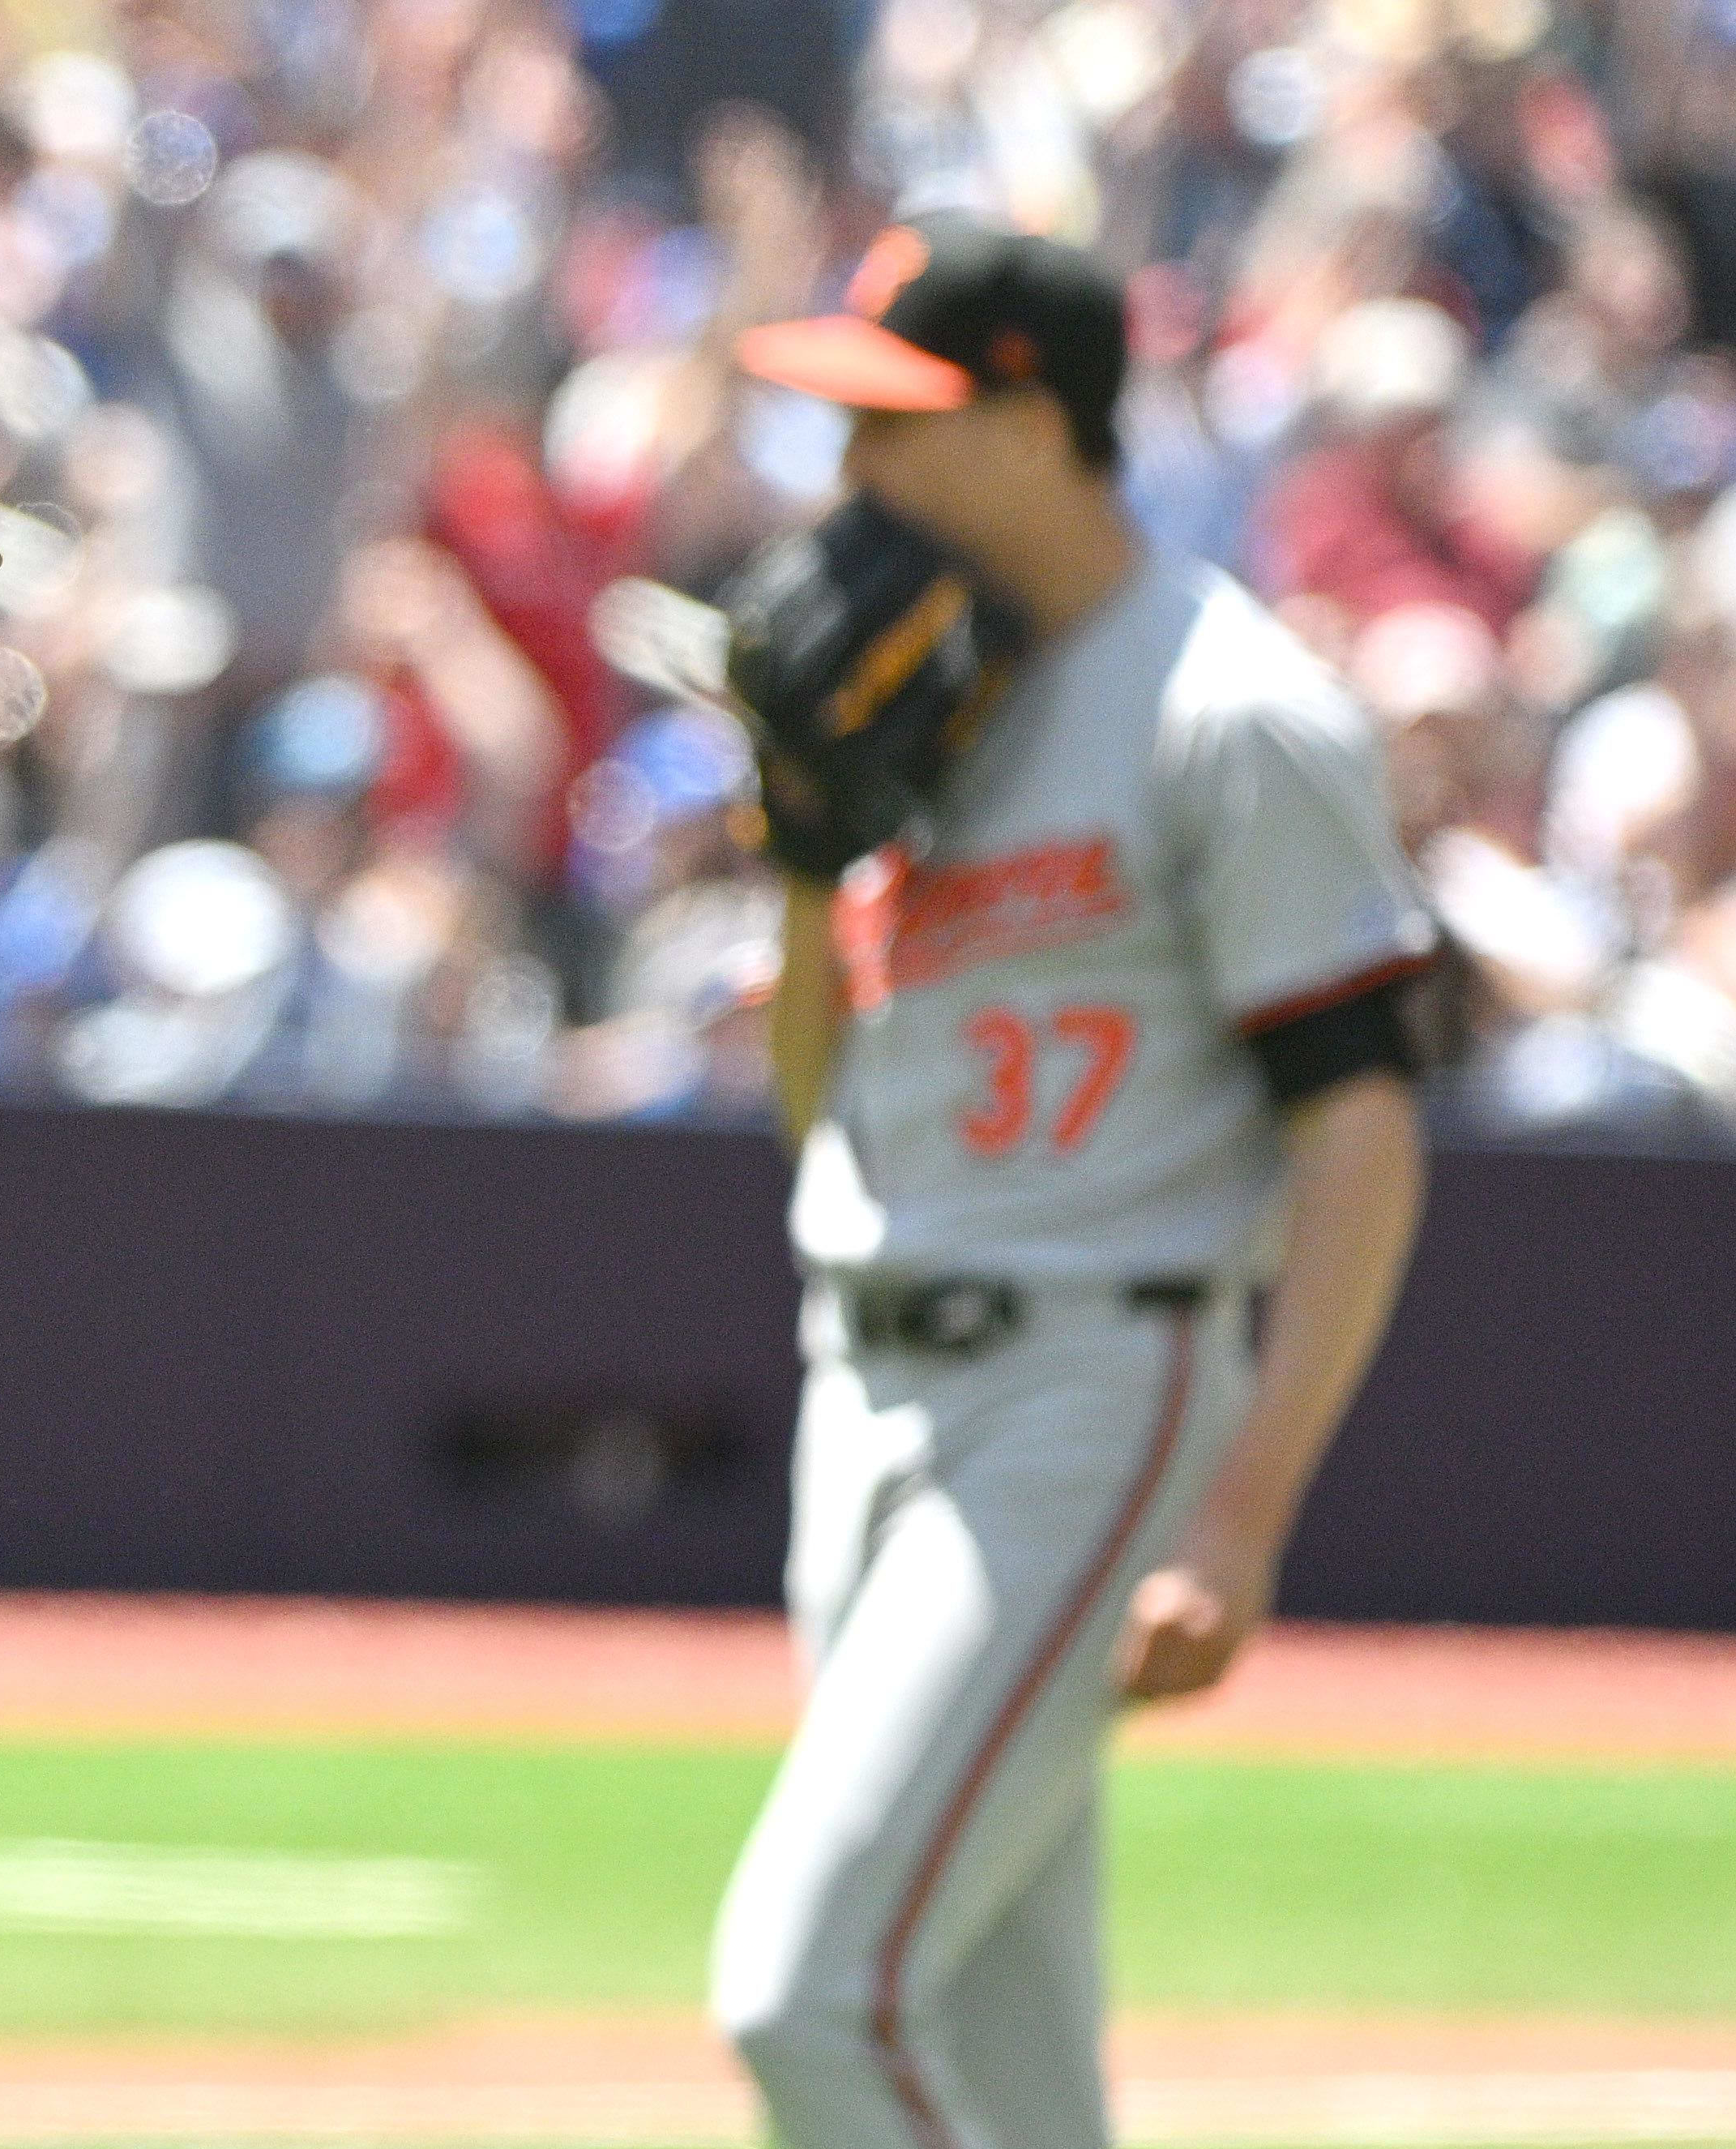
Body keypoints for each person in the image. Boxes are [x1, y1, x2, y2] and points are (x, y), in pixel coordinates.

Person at [706, 216, 1435, 2148]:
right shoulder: (924, 692)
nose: (846, 478)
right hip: (862, 1388)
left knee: (807, 1994)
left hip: (1079, 1389)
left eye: (893, 426)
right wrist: (801, 850)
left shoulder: (1229, 705)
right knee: (1011, 2067)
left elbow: (1357, 1131)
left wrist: (1245, 1508)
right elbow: (821, 1107)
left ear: (1031, 423)